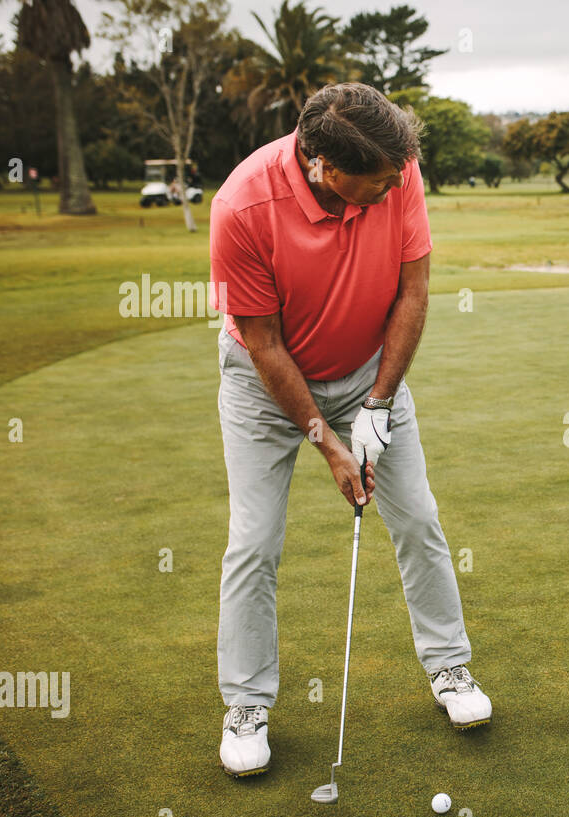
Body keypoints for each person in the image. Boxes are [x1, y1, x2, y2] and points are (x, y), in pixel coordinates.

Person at [208, 82, 491, 779]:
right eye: (381, 181)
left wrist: (379, 403)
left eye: (401, 174)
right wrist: (327, 443)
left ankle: (451, 669)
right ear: (324, 169)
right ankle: (246, 705)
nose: (397, 186)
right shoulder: (241, 207)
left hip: (369, 369)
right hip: (263, 382)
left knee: (418, 517)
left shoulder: (398, 167)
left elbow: (414, 292)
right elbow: (265, 345)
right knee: (254, 541)